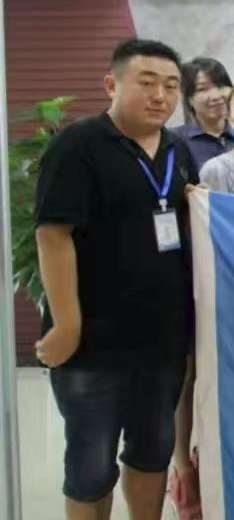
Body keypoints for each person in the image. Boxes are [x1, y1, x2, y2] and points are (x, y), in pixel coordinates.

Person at [34, 39, 198, 520]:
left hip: (163, 339)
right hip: (93, 343)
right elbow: (53, 236)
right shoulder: (78, 146)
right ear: (112, 84)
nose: (160, 96)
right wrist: (67, 324)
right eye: (147, 83)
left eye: (171, 86)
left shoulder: (177, 148)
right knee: (90, 464)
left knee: (152, 449)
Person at [173, 57, 234, 172]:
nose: (216, 96)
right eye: (203, 89)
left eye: (220, 86)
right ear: (188, 98)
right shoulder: (174, 141)